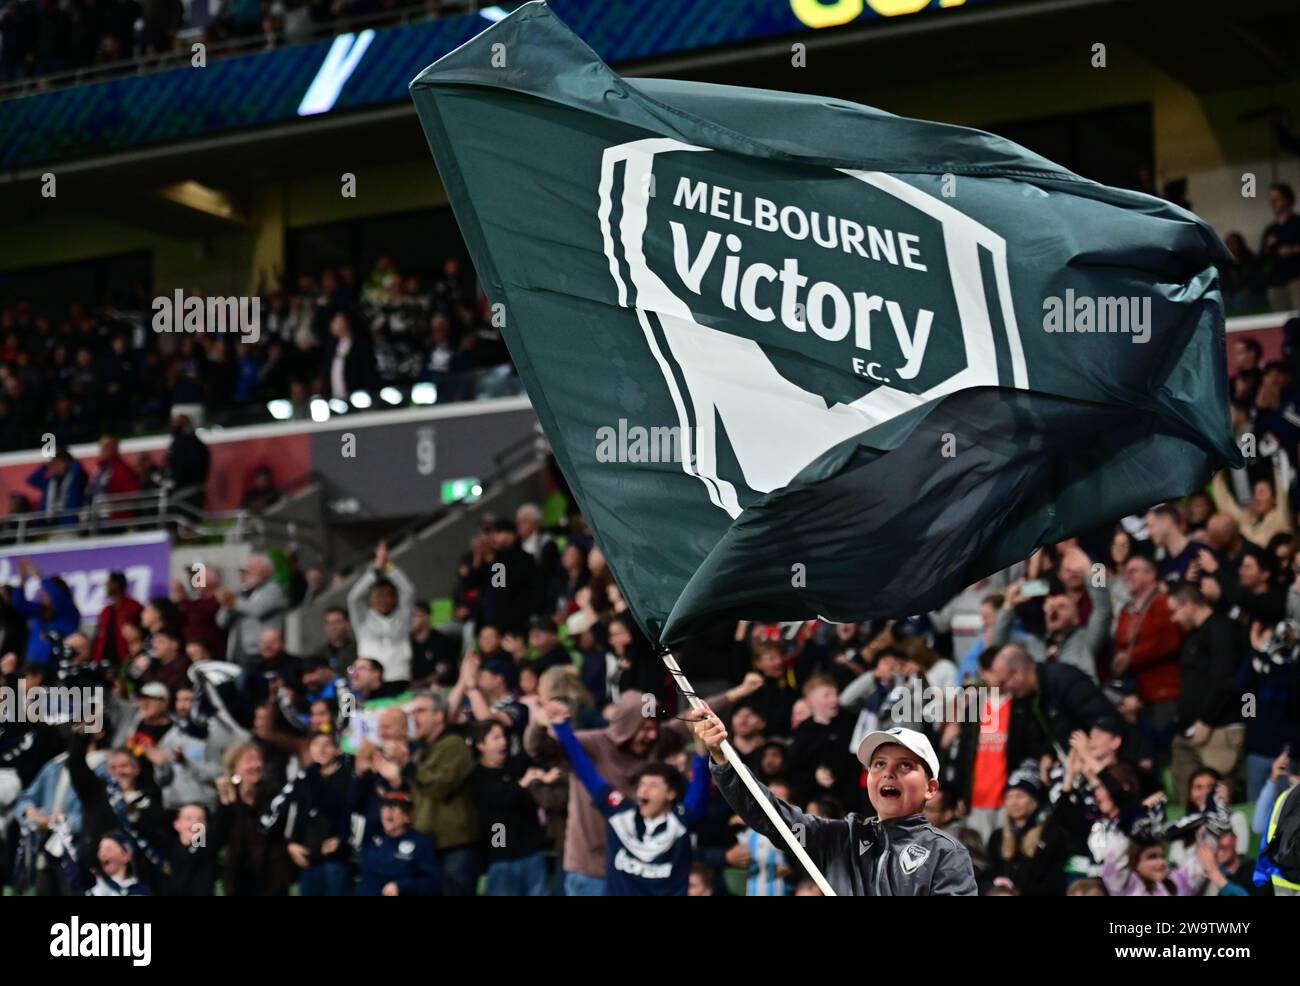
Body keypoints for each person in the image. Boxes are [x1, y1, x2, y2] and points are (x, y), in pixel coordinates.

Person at [698, 714, 977, 895]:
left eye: (905, 765)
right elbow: (770, 815)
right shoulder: (838, 838)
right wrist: (723, 757)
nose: (888, 773)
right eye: (879, 764)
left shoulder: (946, 853)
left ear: (931, 788)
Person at [552, 703, 710, 896]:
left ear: (670, 794)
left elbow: (701, 781)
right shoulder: (620, 813)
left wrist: (701, 740)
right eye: (642, 785)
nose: (644, 790)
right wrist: (561, 727)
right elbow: (585, 769)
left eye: (652, 786)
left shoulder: (683, 819)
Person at [1166, 584, 1245, 799]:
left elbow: (1225, 680)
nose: (1173, 619)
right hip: (1188, 731)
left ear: (1190, 605)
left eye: (1175, 611)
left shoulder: (1222, 630)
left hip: (1217, 729)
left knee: (1216, 801)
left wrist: (1207, 721)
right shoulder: (1193, 636)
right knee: (1188, 803)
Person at [406, 690, 480, 895]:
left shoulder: (455, 745)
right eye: (412, 714)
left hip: (455, 845)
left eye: (420, 711)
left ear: (438, 715)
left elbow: (440, 787)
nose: (414, 718)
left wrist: (410, 768)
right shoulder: (419, 752)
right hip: (428, 843)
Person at [470, 719, 550, 895]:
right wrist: (523, 784)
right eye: (496, 738)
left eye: (503, 736)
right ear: (481, 745)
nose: (503, 742)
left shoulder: (517, 766)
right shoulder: (477, 776)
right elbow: (500, 801)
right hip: (501, 858)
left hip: (532, 852)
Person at [347, 541, 415, 687]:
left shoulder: (402, 618)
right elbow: (353, 598)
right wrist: (375, 570)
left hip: (400, 678)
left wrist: (388, 565)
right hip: (370, 683)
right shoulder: (363, 621)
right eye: (378, 595)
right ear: (370, 599)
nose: (383, 599)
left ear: (394, 599)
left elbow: (408, 591)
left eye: (388, 595)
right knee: (357, 708)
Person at [358, 789, 441, 896]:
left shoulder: (420, 843)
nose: (388, 810)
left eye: (395, 806)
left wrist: (401, 886)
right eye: (385, 806)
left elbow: (433, 883)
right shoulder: (373, 840)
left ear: (408, 816)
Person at [215, 555, 288, 664]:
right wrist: (226, 605)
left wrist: (233, 602)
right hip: (236, 651)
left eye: (253, 568)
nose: (248, 571)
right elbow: (221, 621)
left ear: (266, 571)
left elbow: (258, 610)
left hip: (261, 651)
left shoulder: (274, 590)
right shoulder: (241, 592)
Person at [160, 803, 219, 896]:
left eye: (200, 819)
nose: (195, 823)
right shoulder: (166, 851)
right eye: (188, 818)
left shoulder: (209, 850)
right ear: (176, 824)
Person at [1261, 182, 1300, 312]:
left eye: (1276, 199)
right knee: (1281, 321)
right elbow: (1262, 256)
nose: (1272, 203)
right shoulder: (1271, 229)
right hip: (1276, 282)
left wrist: (1293, 249)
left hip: (1296, 279)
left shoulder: (1297, 223)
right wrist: (1268, 247)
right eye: (1270, 200)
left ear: (1287, 200)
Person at [92, 571, 143, 667]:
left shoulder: (134, 607)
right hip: (106, 661)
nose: (106, 586)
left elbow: (142, 632)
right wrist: (96, 659)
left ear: (116, 584)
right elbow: (98, 637)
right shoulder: (106, 611)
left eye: (109, 583)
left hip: (127, 659)